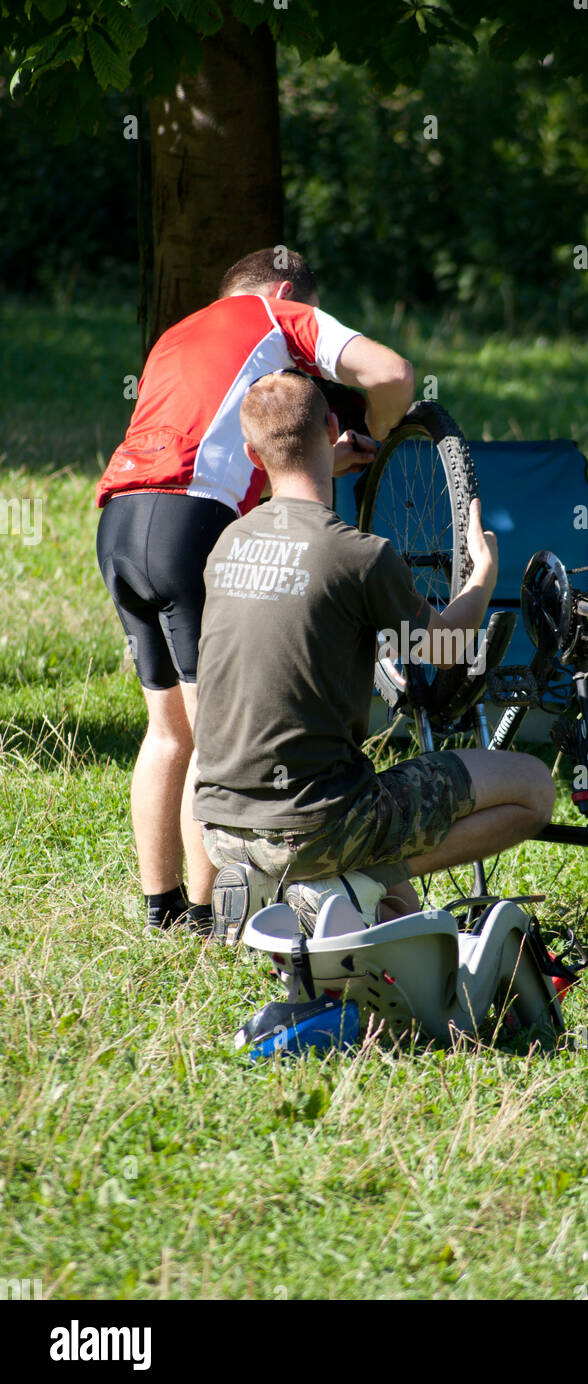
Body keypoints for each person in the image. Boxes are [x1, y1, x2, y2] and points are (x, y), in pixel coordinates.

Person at [95, 248, 414, 936]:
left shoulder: (180, 333)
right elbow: (391, 373)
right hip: (189, 525)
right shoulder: (279, 313)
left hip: (122, 523)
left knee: (168, 732)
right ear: (284, 290)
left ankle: (163, 907)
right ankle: (215, 918)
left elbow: (224, 454)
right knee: (222, 739)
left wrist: (324, 458)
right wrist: (384, 439)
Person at [193, 370, 556, 942]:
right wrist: (483, 578)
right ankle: (345, 883)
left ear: (251, 455)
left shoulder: (226, 543)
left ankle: (297, 884)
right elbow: (443, 647)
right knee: (534, 787)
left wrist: (310, 460)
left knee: (406, 915)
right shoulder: (359, 556)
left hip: (219, 827)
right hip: (316, 826)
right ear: (334, 427)